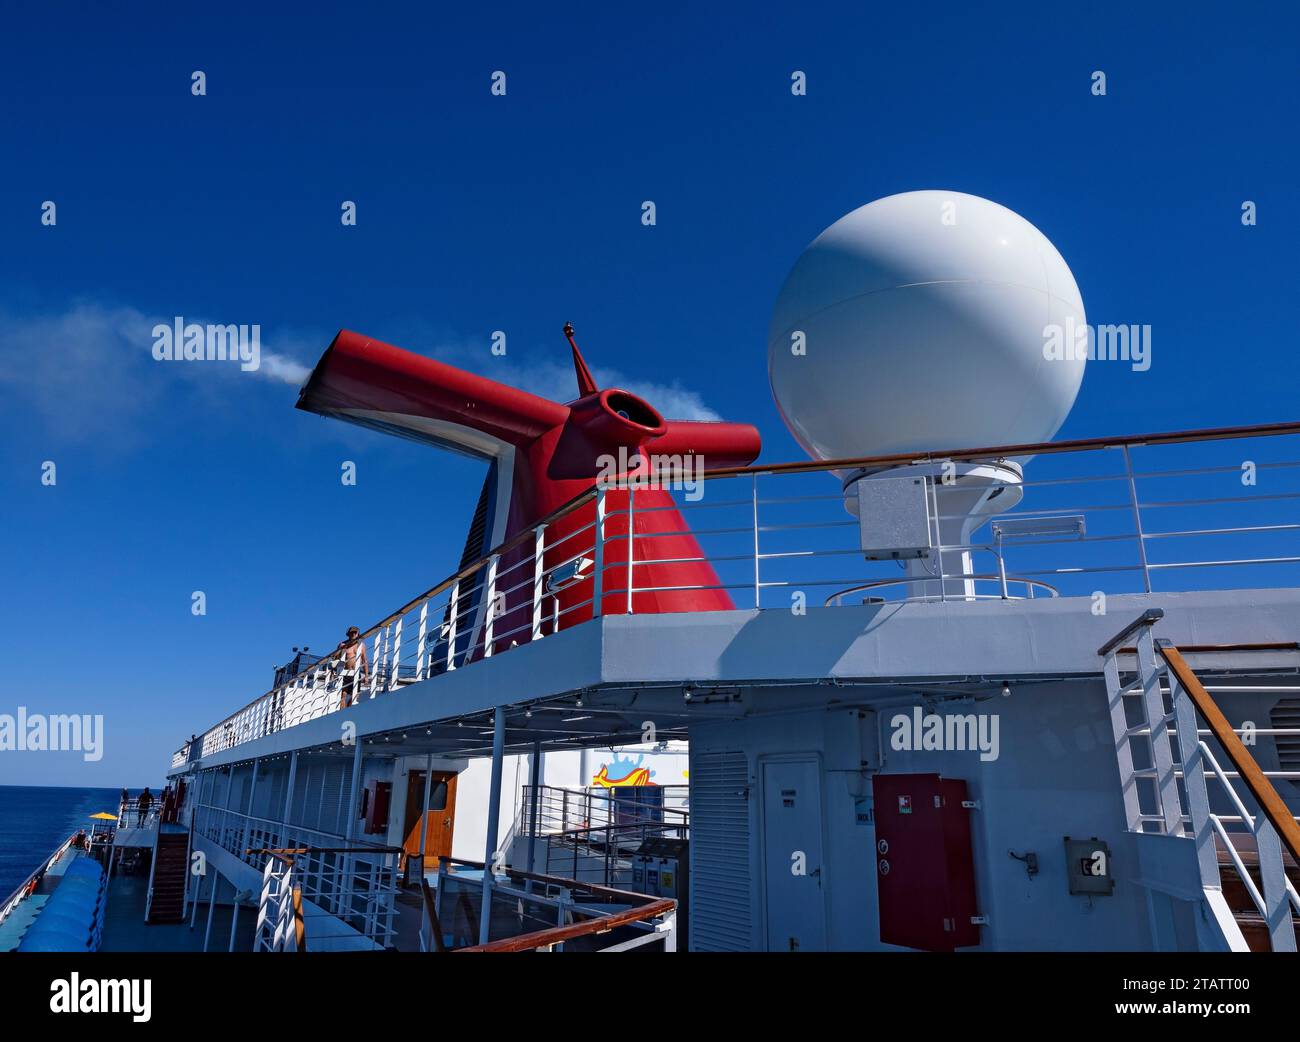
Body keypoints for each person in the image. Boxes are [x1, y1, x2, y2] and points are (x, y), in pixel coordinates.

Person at [336, 626, 369, 710]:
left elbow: (365, 660)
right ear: (348, 634)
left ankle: (348, 711)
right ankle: (341, 714)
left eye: (355, 633)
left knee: (355, 696)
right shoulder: (342, 644)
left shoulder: (361, 645)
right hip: (345, 673)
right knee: (342, 695)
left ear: (358, 634)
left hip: (356, 673)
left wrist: (366, 675)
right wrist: (334, 672)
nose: (353, 634)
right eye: (351, 633)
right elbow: (336, 658)